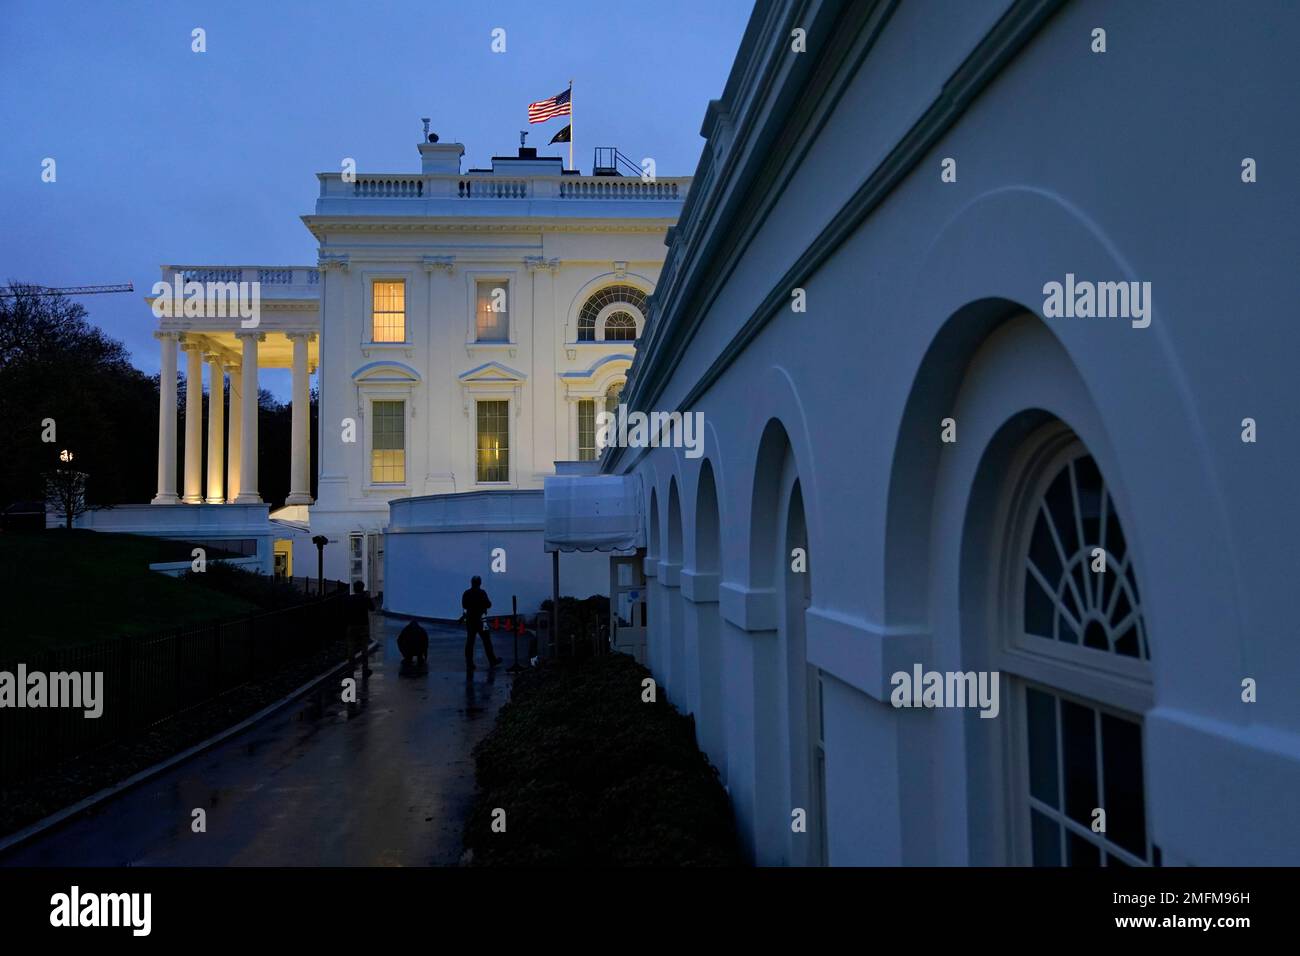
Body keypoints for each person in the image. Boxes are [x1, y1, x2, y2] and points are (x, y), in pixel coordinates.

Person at [461, 575, 503, 671]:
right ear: (480, 583)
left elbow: (464, 605)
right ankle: (492, 660)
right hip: (481, 620)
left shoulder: (467, 593)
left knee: (470, 642)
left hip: (470, 620)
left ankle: (469, 663)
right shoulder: (482, 593)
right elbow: (488, 604)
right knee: (487, 641)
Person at [344, 580, 374, 675]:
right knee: (364, 647)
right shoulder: (365, 598)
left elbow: (344, 611)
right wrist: (369, 597)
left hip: (351, 625)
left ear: (354, 589)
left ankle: (350, 669)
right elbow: (372, 608)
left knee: (351, 647)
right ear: (362, 588)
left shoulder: (349, 599)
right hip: (363, 625)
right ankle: (365, 669)